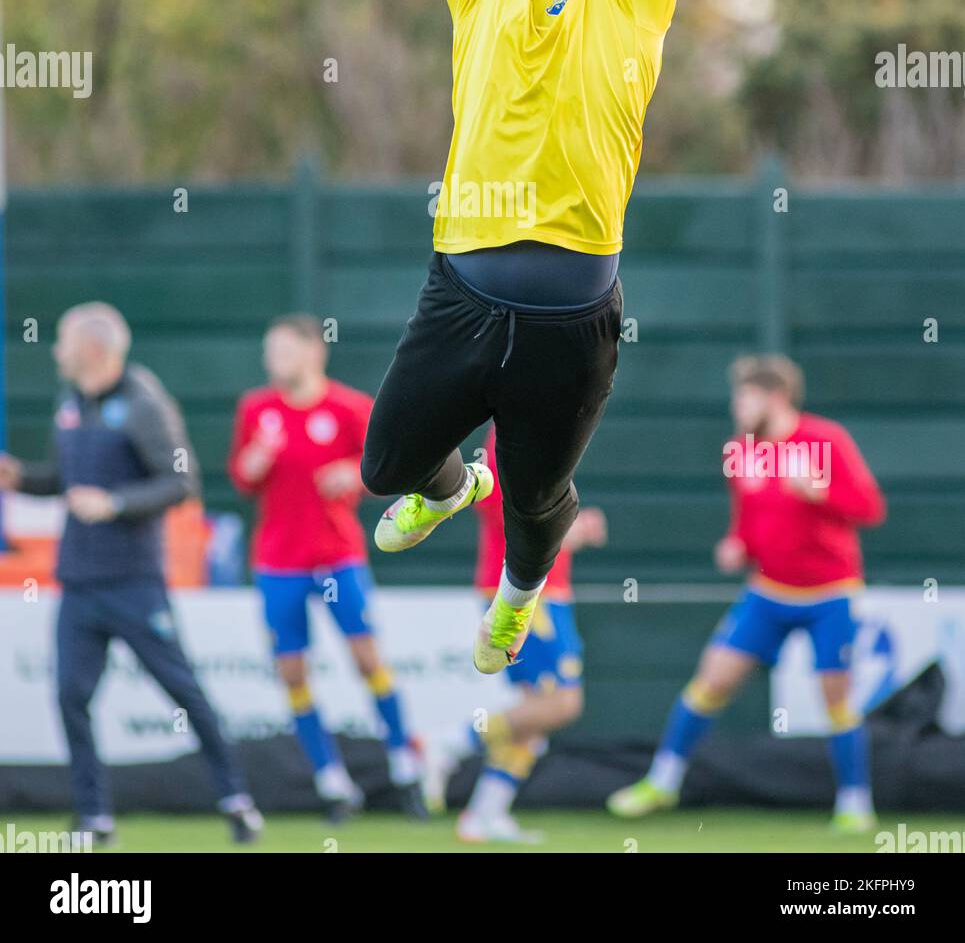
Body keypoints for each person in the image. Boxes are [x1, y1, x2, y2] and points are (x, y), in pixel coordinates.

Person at [361, 0, 676, 677]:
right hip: (462, 285)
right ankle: (457, 487)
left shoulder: (630, 2)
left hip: (571, 309)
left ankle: (520, 590)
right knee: (387, 467)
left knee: (541, 499)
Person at [0, 302, 262, 846]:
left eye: (62, 341)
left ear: (92, 348)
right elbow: (61, 481)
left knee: (183, 692)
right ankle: (95, 815)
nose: (54, 351)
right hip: (79, 581)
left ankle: (236, 799)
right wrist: (20, 477)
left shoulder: (144, 404)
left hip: (134, 583)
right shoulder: (69, 403)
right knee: (71, 696)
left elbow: (180, 482)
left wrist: (116, 502)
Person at [608, 354, 887, 832]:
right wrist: (738, 545)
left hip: (830, 594)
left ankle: (856, 803)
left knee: (836, 698)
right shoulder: (742, 449)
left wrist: (822, 493)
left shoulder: (825, 439)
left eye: (745, 396)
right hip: (768, 592)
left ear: (774, 398)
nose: (737, 405)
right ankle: (663, 780)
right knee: (712, 679)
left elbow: (870, 507)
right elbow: (749, 523)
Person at [228, 315, 424, 820]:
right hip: (279, 562)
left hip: (337, 557)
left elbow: (383, 470)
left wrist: (353, 474)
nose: (275, 363)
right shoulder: (257, 409)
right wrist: (254, 460)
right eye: (270, 353)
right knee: (292, 670)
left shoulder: (350, 407)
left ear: (315, 353)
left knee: (367, 660)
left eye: (285, 352)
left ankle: (406, 769)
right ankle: (332, 782)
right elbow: (242, 480)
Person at [424, 425, 606, 843]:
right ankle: (451, 743)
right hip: (521, 591)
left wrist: (571, 532)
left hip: (545, 586)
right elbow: (516, 513)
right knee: (561, 704)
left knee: (535, 713)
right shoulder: (515, 432)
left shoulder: (540, 428)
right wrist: (572, 529)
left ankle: (483, 814)